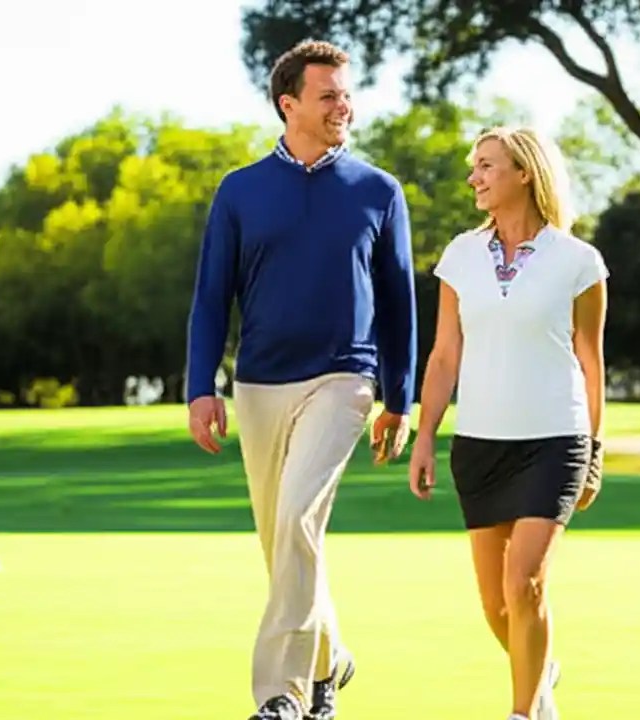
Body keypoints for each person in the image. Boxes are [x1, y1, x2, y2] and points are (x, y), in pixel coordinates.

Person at [184, 39, 418, 720]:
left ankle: (280, 696)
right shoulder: (240, 190)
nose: (344, 104)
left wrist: (398, 399)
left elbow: (401, 303)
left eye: (347, 93)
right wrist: (202, 385)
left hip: (345, 380)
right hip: (258, 385)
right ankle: (328, 658)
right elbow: (209, 297)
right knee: (283, 539)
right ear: (289, 104)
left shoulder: (379, 191)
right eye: (329, 94)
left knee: (295, 519)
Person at [407, 126, 608, 720]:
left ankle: (523, 712)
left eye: (487, 166)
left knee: (525, 584)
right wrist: (424, 437)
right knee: (496, 603)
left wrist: (594, 450)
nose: (475, 177)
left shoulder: (578, 261)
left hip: (554, 441)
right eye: (476, 166)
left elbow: (591, 361)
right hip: (480, 446)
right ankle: (541, 671)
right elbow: (445, 356)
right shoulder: (460, 257)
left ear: (525, 172)